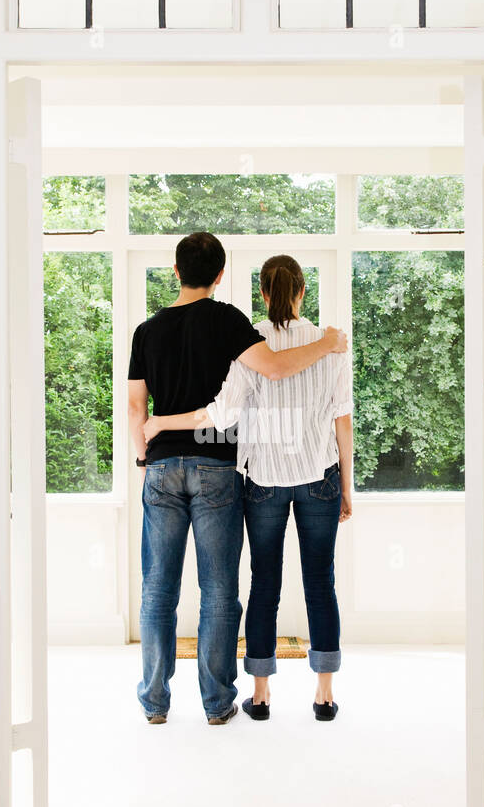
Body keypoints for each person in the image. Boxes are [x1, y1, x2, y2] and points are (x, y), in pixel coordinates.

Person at [128, 233, 348, 725]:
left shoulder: (146, 331)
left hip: (182, 469)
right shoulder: (232, 322)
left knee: (161, 589)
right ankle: (225, 702)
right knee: (225, 590)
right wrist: (329, 342)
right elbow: (287, 379)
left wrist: (148, 453)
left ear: (177, 271)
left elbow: (138, 406)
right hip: (228, 470)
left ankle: (165, 702)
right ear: (222, 275)